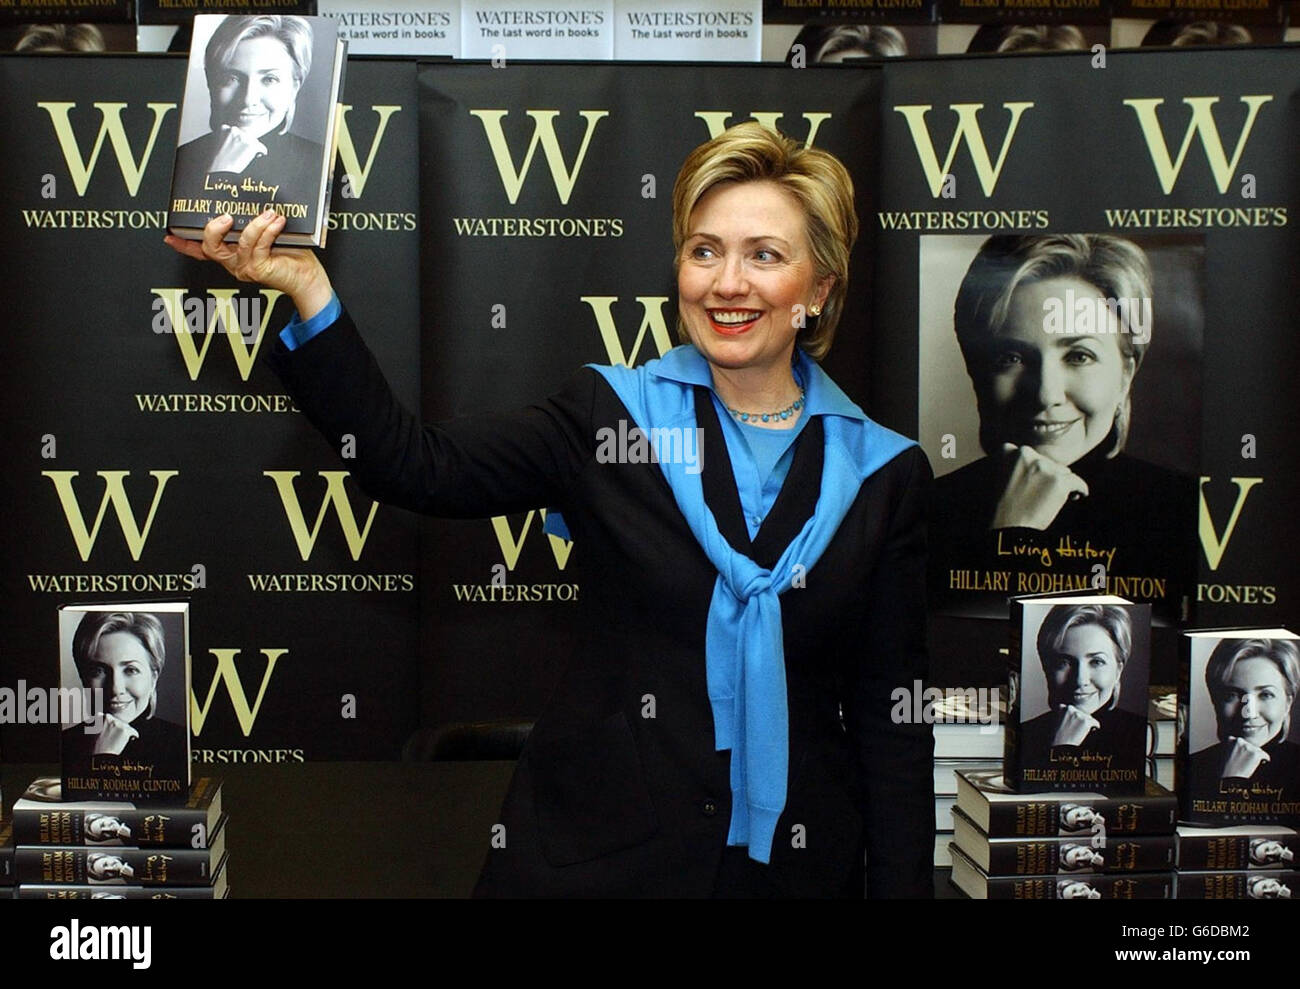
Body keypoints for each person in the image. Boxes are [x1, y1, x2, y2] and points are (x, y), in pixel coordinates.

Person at [165, 122, 936, 898]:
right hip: (597, 863)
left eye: (764, 255)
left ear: (819, 290)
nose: (727, 283)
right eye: (704, 250)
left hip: (792, 874)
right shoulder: (610, 417)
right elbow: (412, 464)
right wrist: (306, 284)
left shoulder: (883, 474)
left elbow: (891, 727)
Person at [928, 234, 1197, 618]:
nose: (1045, 394)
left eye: (1079, 356)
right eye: (1011, 357)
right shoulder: (927, 507)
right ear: (976, 373)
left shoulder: (1186, 512)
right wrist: (1014, 529)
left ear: (1126, 374)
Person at [171, 15, 324, 222]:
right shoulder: (182, 160)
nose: (248, 99)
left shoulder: (319, 165)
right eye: (231, 78)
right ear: (210, 83)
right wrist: (220, 172)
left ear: (295, 86)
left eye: (269, 79)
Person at [1020, 604, 1148, 767]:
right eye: (1064, 662)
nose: (1080, 680)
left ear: (1118, 670)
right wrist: (1063, 745)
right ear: (1046, 668)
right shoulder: (1024, 735)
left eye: (1096, 662)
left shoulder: (1141, 734)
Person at [61, 612, 186, 772]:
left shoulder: (181, 744)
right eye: (98, 671)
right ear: (83, 677)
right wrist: (104, 755)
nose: (115, 688)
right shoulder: (63, 745)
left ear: (154, 678)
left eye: (131, 670)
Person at [1188, 638, 1300, 793]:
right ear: (1215, 700)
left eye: (1265, 695)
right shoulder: (1191, 766)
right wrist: (1232, 777)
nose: (1248, 713)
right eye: (1232, 695)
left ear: (1288, 703)